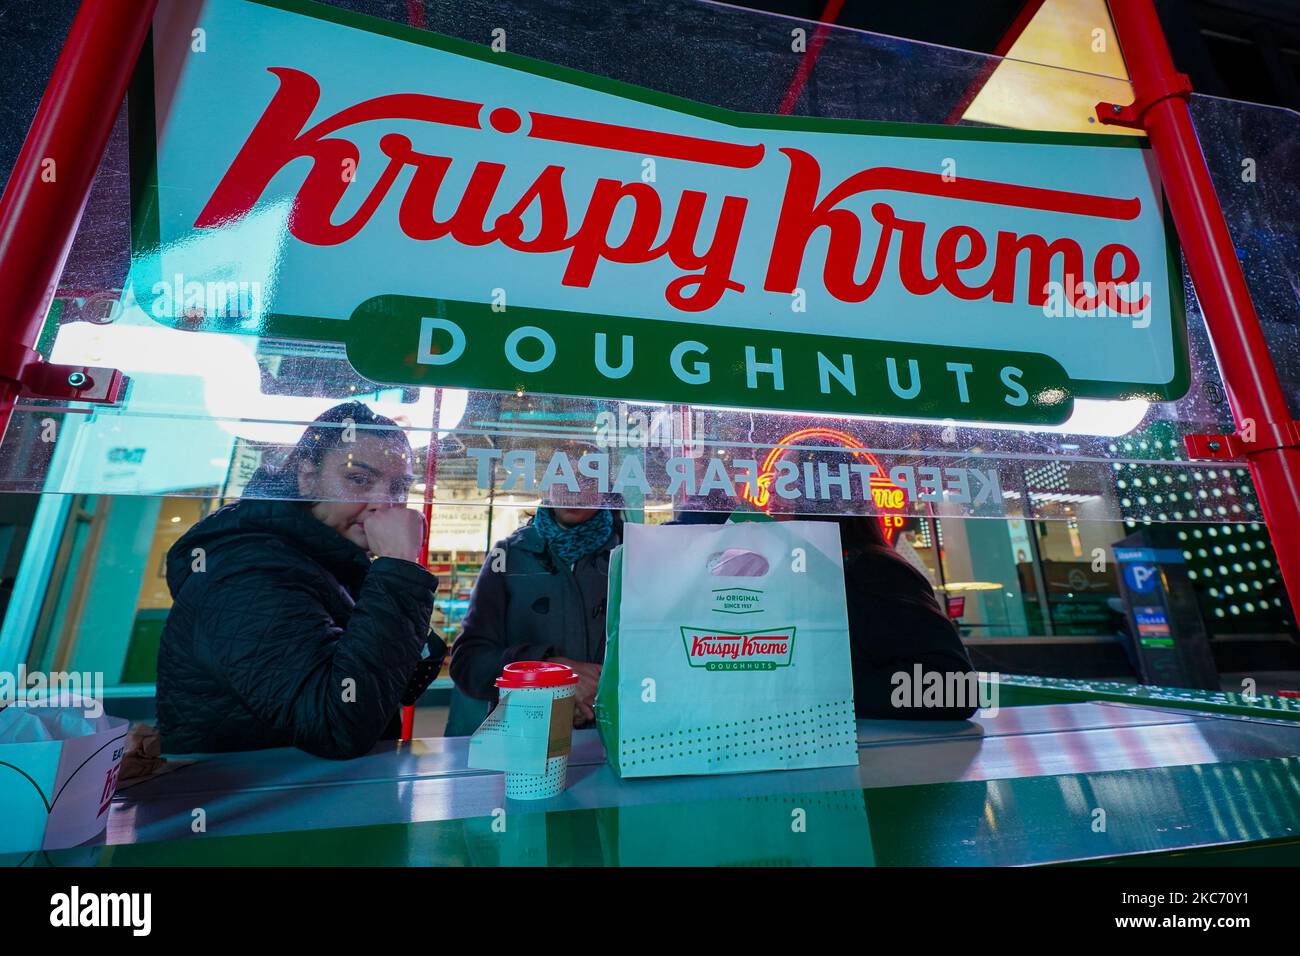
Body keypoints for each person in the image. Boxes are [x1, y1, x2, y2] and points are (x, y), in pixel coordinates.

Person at [156, 401, 446, 759]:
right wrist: (398, 570)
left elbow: (399, 685)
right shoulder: (249, 572)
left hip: (305, 797)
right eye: (358, 479)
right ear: (307, 477)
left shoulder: (332, 561)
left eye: (398, 487)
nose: (383, 503)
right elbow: (338, 725)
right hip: (255, 803)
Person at [448, 491, 620, 735]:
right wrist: (548, 673)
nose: (572, 491)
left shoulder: (631, 554)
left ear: (606, 487)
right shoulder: (508, 554)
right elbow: (469, 662)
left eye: (587, 477)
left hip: (614, 741)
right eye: (561, 477)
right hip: (525, 742)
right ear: (545, 485)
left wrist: (603, 689)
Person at [783, 512, 979, 720]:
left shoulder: (872, 570)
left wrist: (823, 690)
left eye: (782, 506)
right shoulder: (819, 576)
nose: (775, 519)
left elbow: (955, 689)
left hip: (882, 747)